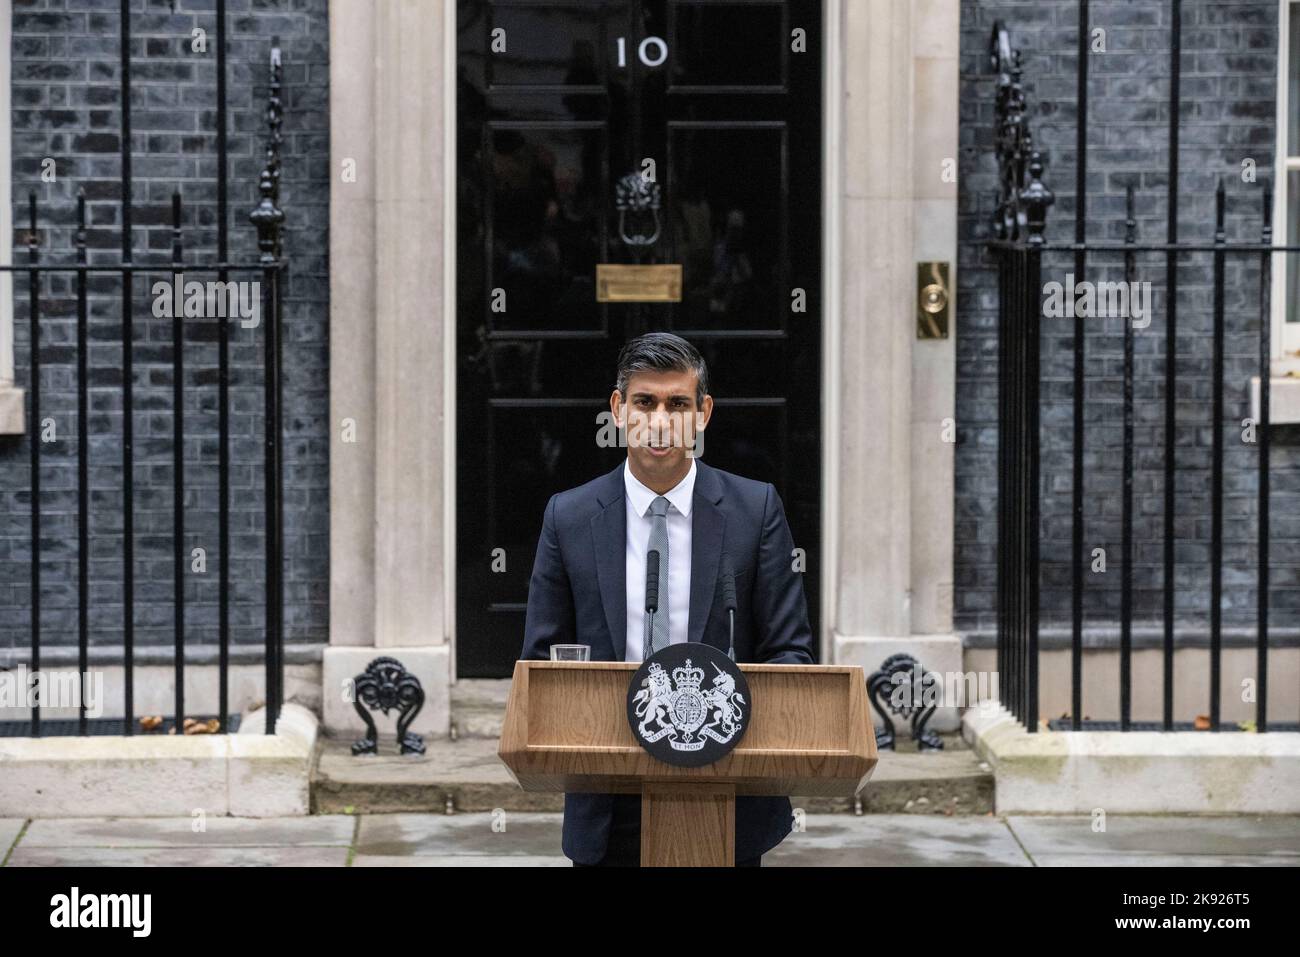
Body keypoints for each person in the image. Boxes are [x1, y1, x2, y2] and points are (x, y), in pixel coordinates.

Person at [519, 331, 815, 867]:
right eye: (644, 402)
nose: (660, 420)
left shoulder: (755, 510)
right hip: (608, 794)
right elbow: (544, 661)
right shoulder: (569, 517)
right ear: (618, 409)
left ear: (703, 413)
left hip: (726, 793)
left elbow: (790, 654)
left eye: (677, 403)